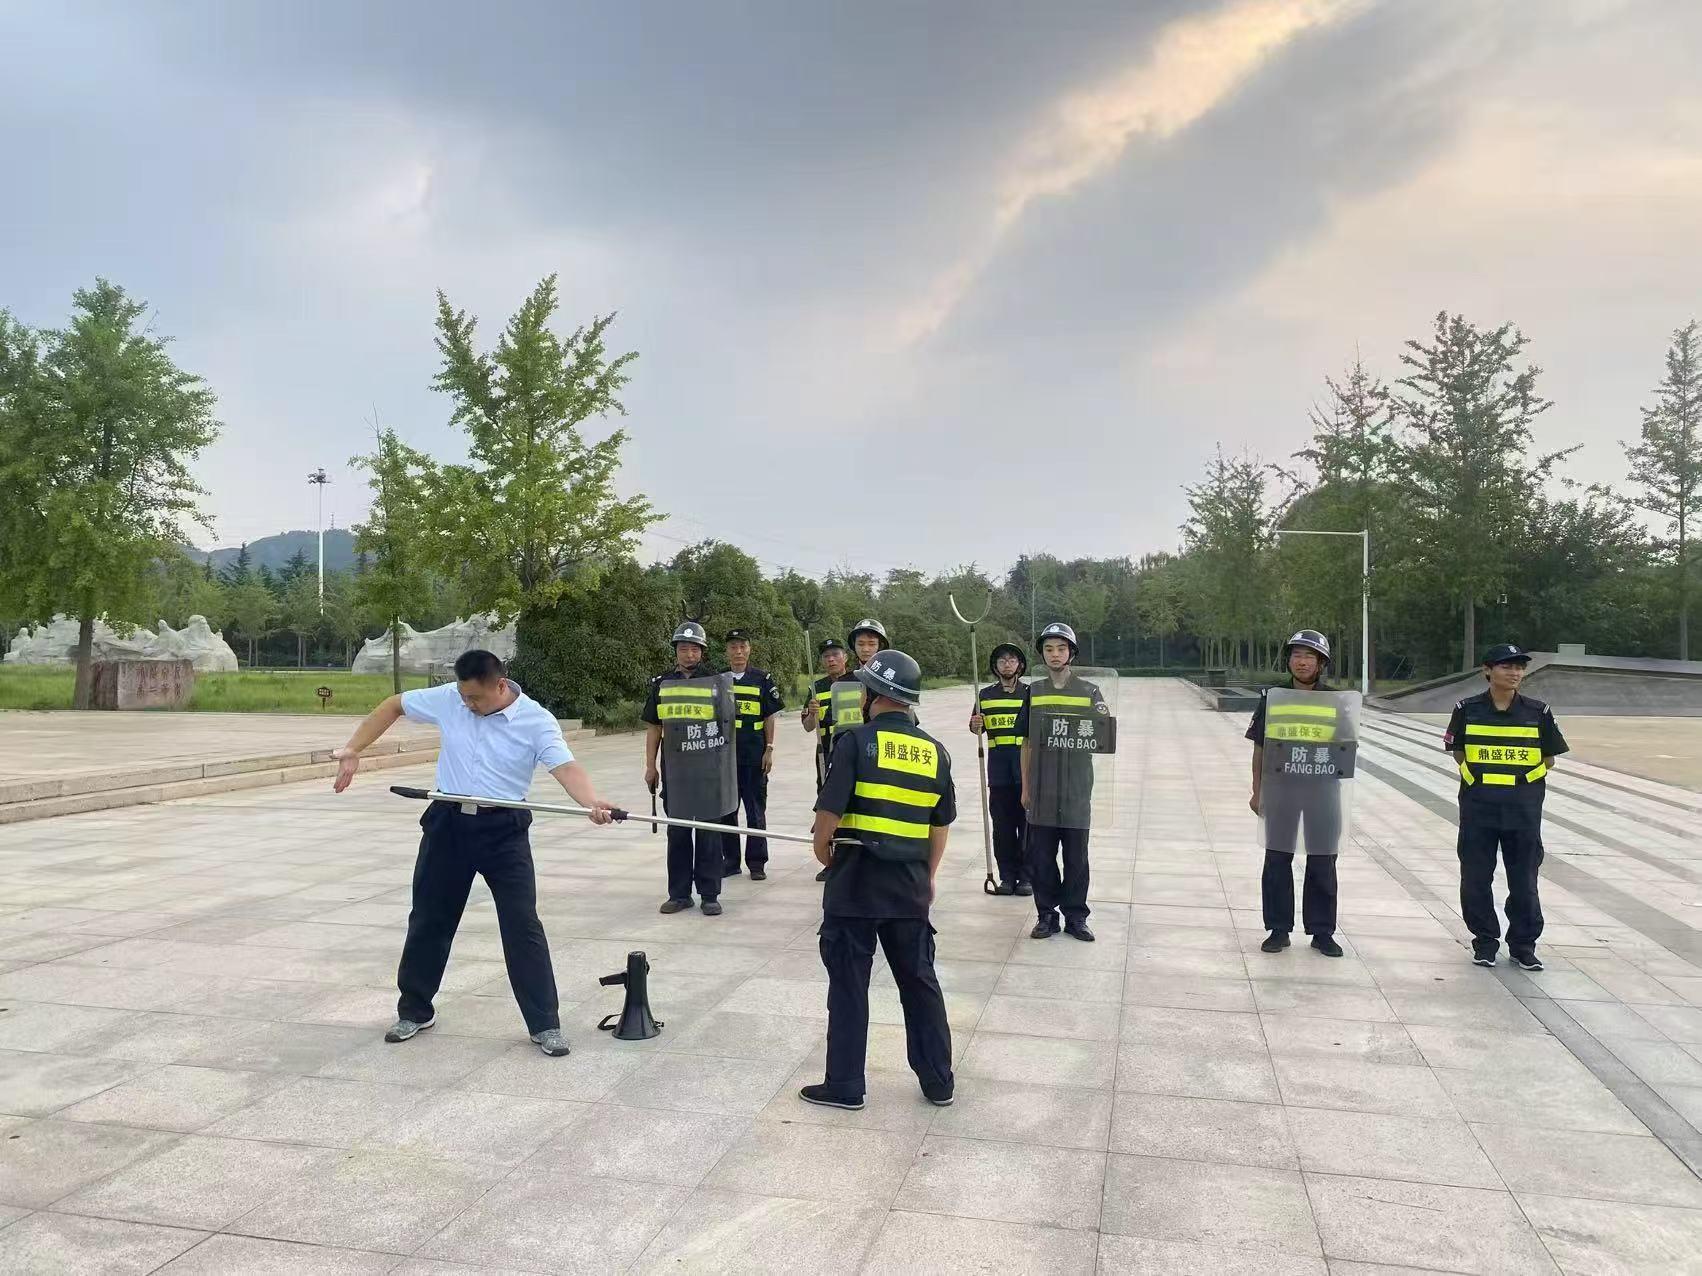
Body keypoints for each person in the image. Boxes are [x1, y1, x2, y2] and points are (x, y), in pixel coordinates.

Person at [331, 649, 612, 1057]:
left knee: (522, 924)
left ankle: (545, 1024)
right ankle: (415, 1010)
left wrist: (591, 803)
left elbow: (565, 768)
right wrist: (353, 748)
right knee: (429, 918)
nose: (467, 704)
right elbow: (393, 705)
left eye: (475, 698)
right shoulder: (452, 697)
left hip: (504, 830)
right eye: (463, 696)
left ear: (501, 685)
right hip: (447, 823)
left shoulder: (536, 720)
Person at [801, 648, 956, 1111]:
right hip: (909, 886)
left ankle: (846, 1085)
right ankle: (939, 1081)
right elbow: (939, 826)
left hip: (855, 885)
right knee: (919, 983)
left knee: (850, 986)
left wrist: (824, 852)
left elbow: (827, 817)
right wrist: (927, 877)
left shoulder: (854, 742)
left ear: (872, 695)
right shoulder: (935, 752)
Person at [1446, 643, 1568, 971]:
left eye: (1519, 667)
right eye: (1506, 666)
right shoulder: (1466, 709)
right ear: (1487, 671)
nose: (1514, 673)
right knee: (1476, 878)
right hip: (1478, 809)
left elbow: (1549, 759)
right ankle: (1485, 942)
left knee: (1524, 881)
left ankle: (1523, 945)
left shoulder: (1538, 712)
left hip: (1522, 810)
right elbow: (1458, 752)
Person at [1247, 630, 1347, 959]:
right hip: (1281, 791)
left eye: (1309, 656)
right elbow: (1260, 748)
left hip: (1323, 792)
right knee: (1277, 858)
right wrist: (1257, 791)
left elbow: (1346, 750)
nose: (1301, 662)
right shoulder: (1273, 697)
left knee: (1323, 860)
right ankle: (1278, 929)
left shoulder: (1336, 702)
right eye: (1296, 655)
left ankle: (1322, 932)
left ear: (1321, 664)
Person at [1019, 622, 1110, 941]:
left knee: (1076, 858)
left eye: (1061, 648)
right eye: (1048, 649)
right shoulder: (1034, 692)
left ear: (1072, 653)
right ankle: (1046, 914)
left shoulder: (1089, 691)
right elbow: (1026, 743)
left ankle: (1075, 916)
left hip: (1076, 789)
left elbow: (1104, 736)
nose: (1054, 654)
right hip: (1042, 789)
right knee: (1041, 857)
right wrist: (1026, 787)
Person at [645, 621, 730, 916]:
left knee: (709, 832)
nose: (689, 654)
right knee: (678, 832)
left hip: (708, 769)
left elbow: (726, 727)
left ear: (702, 651)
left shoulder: (716, 682)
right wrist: (650, 766)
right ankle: (679, 894)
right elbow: (654, 728)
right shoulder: (662, 684)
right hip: (676, 770)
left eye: (694, 649)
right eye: (684, 648)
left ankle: (709, 894)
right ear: (676, 651)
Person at [968, 641, 1031, 895]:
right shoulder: (984, 696)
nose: (1007, 664)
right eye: (1002, 660)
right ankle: (1007, 876)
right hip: (998, 772)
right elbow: (976, 727)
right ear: (995, 666)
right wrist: (975, 724)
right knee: (1003, 828)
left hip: (1025, 770)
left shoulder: (1030, 693)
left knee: (1027, 827)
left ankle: (1026, 877)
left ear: (1020, 665)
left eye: (1012, 660)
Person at [722, 628, 785, 880]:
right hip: (725, 758)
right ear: (727, 651)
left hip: (754, 755)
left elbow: (769, 716)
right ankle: (730, 861)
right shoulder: (719, 679)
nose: (738, 651)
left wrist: (769, 748)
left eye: (742, 646)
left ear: (749, 649)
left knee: (755, 811)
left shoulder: (762, 679)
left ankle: (757, 863)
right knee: (727, 811)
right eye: (733, 647)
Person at [802, 637, 851, 881]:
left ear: (845, 658)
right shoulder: (816, 688)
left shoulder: (856, 682)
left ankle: (851, 859)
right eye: (826, 656)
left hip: (850, 751)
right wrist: (812, 714)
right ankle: (830, 860)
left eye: (835, 655)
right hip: (825, 753)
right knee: (828, 805)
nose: (831, 660)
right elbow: (808, 726)